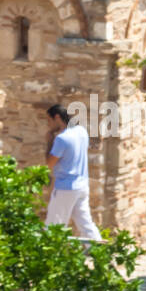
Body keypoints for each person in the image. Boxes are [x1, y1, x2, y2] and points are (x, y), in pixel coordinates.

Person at [44, 104, 101, 242]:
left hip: (65, 188)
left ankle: (50, 259)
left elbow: (49, 164)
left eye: (49, 121)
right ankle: (101, 255)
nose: (48, 124)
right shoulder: (81, 131)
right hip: (81, 186)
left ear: (57, 117)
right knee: (86, 224)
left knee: (54, 226)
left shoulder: (61, 139)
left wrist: (49, 142)